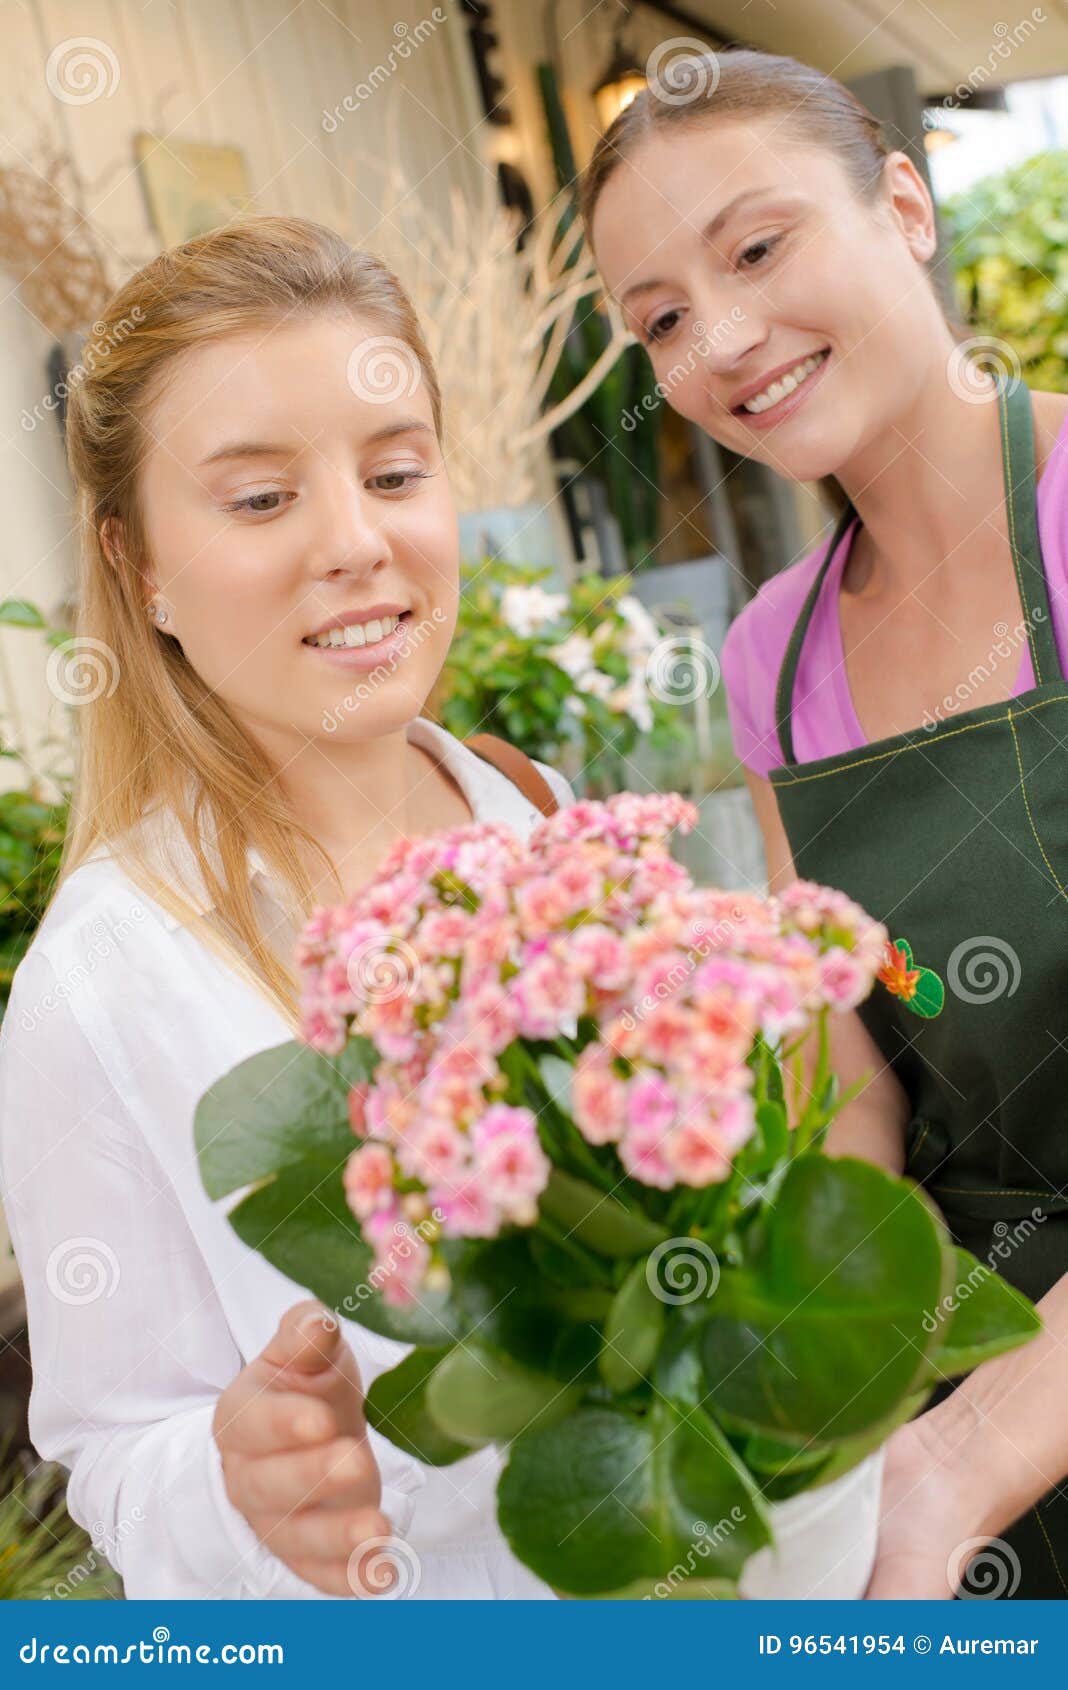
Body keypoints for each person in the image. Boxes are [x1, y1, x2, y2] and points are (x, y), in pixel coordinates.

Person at [0, 215, 571, 1599]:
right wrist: (235, 1475)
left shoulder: (540, 809)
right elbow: (112, 1447)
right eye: (261, 500)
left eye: (392, 471)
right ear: (140, 568)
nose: (357, 542)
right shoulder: (105, 975)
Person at [583, 45, 1068, 1599]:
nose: (722, 336)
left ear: (907, 204)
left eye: (758, 247)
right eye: (660, 318)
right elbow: (853, 1076)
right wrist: (797, 1360)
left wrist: (970, 1449)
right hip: (967, 1396)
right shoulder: (770, 660)